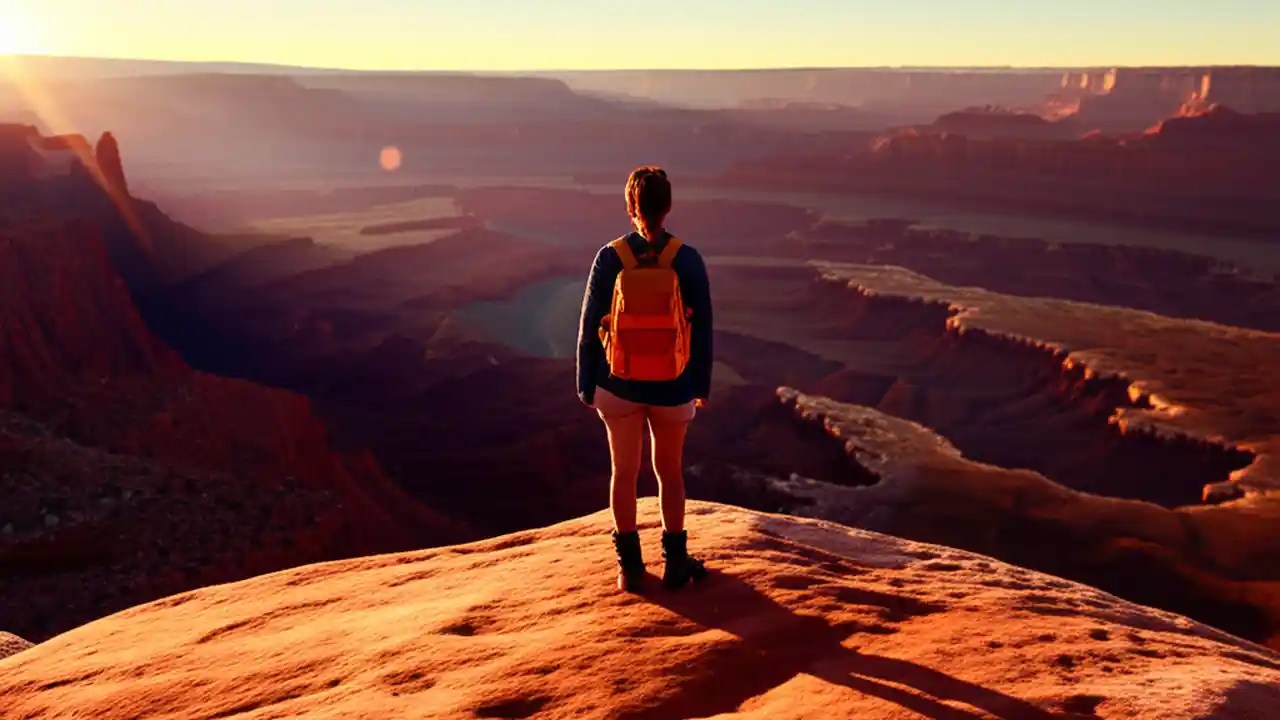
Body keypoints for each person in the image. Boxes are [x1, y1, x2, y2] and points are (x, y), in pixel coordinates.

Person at [577, 165, 713, 592]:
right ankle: (675, 563)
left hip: (618, 384)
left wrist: (586, 383)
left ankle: (630, 569)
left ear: (630, 207)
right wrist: (701, 386)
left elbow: (588, 325)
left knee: (624, 471)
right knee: (669, 472)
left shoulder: (610, 256)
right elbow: (703, 326)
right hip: (673, 385)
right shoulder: (686, 259)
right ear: (668, 206)